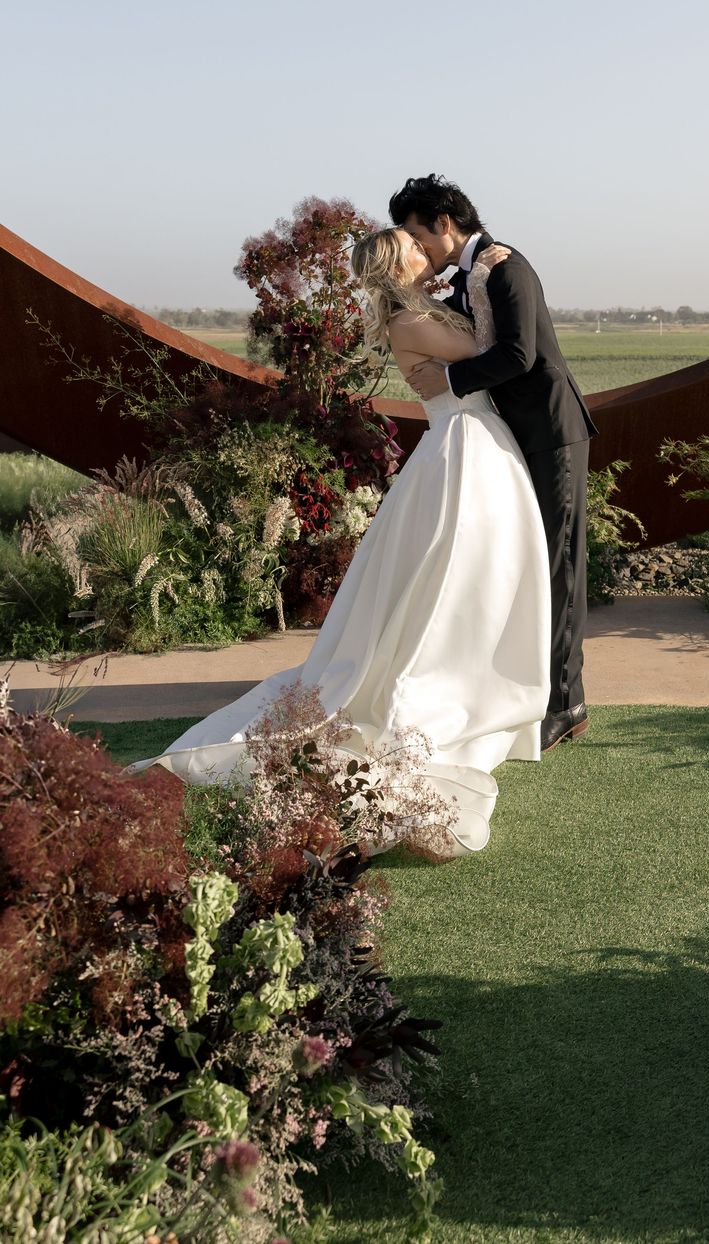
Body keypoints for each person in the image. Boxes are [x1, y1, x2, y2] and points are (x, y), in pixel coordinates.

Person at [130, 229, 551, 856]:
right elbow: (484, 347)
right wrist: (477, 286)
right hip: (461, 448)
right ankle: (445, 694)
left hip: (481, 442)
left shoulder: (419, 307)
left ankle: (485, 680)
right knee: (450, 575)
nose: (423, 250)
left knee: (481, 574)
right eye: (414, 245)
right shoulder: (409, 319)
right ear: (400, 263)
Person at [389, 174, 597, 752]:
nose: (417, 247)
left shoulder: (508, 267)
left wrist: (448, 379)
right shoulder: (458, 279)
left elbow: (518, 354)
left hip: (552, 434)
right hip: (503, 442)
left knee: (559, 563)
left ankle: (567, 701)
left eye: (416, 234)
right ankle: (517, 686)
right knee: (520, 563)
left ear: (444, 224)